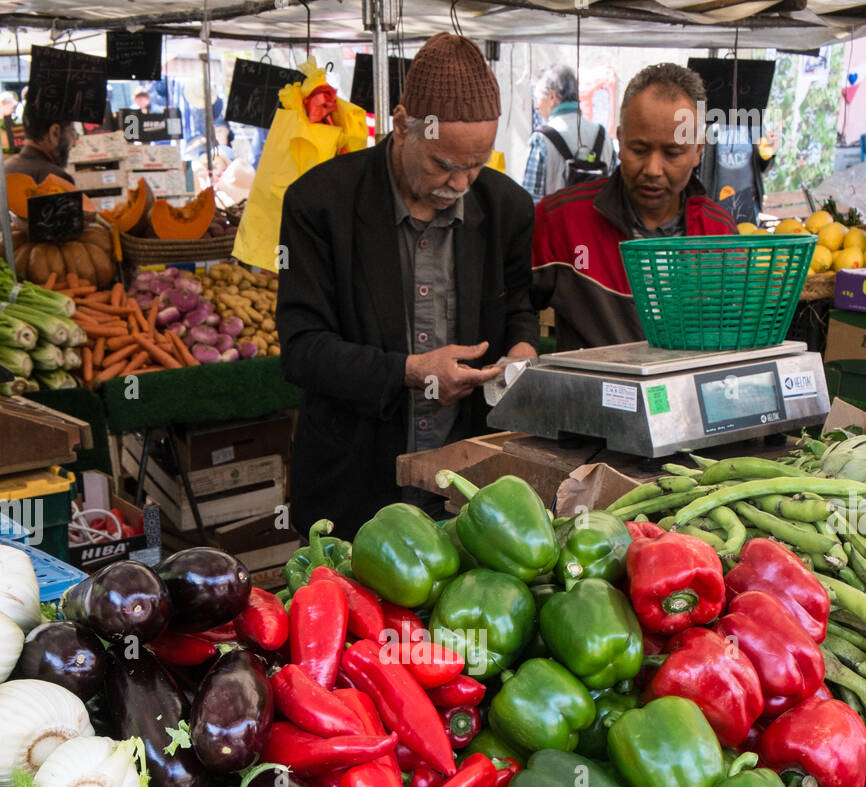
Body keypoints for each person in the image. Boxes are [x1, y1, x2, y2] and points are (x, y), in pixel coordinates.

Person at [276, 33, 538, 541]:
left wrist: (521, 352)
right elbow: (302, 351)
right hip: (352, 481)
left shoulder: (508, 208)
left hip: (469, 483)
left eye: (478, 164)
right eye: (444, 164)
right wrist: (411, 371)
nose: (461, 184)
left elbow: (518, 307)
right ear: (402, 125)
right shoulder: (319, 204)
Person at [532, 62, 737, 351]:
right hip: (590, 396)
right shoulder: (561, 221)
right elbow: (511, 305)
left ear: (697, 151)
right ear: (620, 138)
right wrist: (524, 347)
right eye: (639, 150)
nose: (653, 169)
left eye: (672, 152)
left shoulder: (722, 236)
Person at [522, 64, 613, 204]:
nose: (536, 106)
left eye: (538, 98)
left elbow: (530, 200)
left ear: (552, 97)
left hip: (557, 225)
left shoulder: (541, 139)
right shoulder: (603, 136)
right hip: (596, 224)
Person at [4, 103, 77, 186]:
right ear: (55, 133)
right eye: (72, 132)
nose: (74, 143)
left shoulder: (5, 169)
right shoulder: (55, 178)